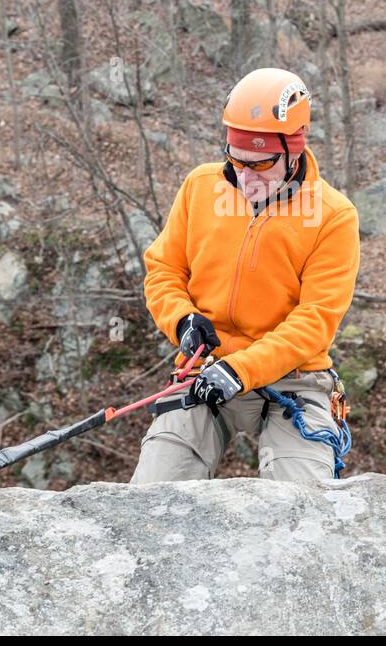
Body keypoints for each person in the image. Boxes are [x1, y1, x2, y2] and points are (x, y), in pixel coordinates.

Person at [131, 67, 361, 483]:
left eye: (260, 164)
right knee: (150, 494)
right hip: (207, 370)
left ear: (295, 147)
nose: (244, 178)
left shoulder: (333, 216)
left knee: (302, 507)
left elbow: (315, 321)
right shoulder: (200, 188)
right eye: (235, 162)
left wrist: (242, 370)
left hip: (293, 379)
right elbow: (164, 269)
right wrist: (181, 320)